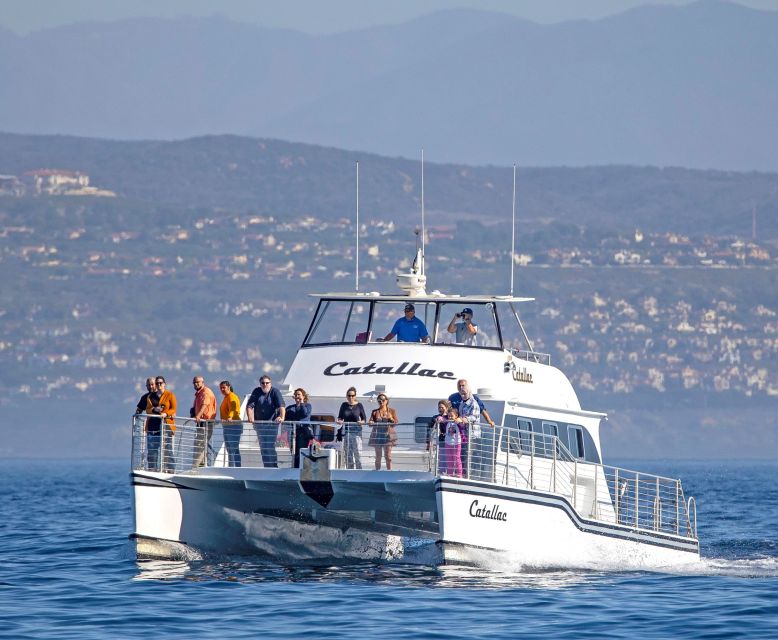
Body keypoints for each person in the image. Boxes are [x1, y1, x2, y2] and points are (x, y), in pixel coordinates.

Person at [246, 375, 286, 468]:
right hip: (260, 426)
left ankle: (273, 467)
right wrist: (250, 417)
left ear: (270, 383)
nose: (265, 385)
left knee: (269, 446)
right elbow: (249, 406)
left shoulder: (275, 391)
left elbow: (281, 405)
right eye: (262, 383)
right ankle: (267, 467)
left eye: (267, 383)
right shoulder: (257, 391)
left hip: (271, 425)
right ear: (260, 384)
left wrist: (282, 416)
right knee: (263, 447)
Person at [147, 376, 176, 472]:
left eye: (160, 383)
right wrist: (154, 409)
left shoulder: (170, 394)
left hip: (166, 425)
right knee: (152, 447)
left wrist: (166, 413)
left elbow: (173, 409)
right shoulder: (151, 396)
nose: (159, 385)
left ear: (164, 384)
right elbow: (148, 409)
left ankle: (170, 469)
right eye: (157, 383)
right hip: (153, 425)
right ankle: (152, 469)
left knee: (167, 447)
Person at [454, 380, 480, 478]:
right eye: (459, 387)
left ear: (468, 388)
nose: (461, 388)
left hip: (473, 435)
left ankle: (470, 477)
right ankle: (464, 475)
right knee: (463, 455)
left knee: (470, 456)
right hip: (464, 435)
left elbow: (474, 417)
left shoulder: (474, 403)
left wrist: (464, 419)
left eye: (463, 386)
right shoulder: (462, 403)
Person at [337, 386, 367, 470]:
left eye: (353, 395)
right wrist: (339, 421)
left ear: (355, 396)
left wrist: (361, 422)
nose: (351, 397)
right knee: (348, 454)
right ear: (346, 396)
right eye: (349, 395)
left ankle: (359, 471)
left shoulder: (359, 405)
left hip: (357, 432)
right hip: (347, 432)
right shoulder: (344, 405)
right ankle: (349, 471)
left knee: (357, 453)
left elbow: (364, 419)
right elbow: (340, 417)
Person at [368, 394, 398, 470]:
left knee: (388, 456)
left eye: (383, 400)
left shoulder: (392, 411)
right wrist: (371, 422)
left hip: (388, 436)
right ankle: (377, 473)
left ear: (386, 401)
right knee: (378, 457)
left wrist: (391, 418)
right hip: (377, 436)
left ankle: (389, 473)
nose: (381, 401)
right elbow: (370, 423)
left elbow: (396, 422)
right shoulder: (374, 412)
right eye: (379, 400)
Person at [192, 376, 217, 467]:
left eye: (198, 382)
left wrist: (198, 415)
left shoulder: (205, 392)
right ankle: (202, 464)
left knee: (200, 444)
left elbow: (205, 405)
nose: (196, 384)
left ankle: (197, 466)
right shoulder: (199, 393)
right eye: (194, 382)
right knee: (201, 443)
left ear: (203, 382)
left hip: (206, 422)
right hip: (201, 422)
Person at [285, 387, 312, 469]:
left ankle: (299, 468)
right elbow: (286, 417)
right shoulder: (290, 407)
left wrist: (301, 403)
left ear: (303, 396)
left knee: (300, 451)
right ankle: (295, 467)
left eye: (299, 395)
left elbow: (304, 414)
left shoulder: (308, 406)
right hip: (292, 432)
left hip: (303, 433)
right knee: (293, 451)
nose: (297, 396)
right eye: (296, 394)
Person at [219, 380, 242, 468]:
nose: (222, 389)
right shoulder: (226, 397)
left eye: (224, 387)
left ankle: (234, 467)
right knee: (231, 449)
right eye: (221, 388)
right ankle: (234, 466)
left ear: (228, 387)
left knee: (233, 448)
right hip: (227, 426)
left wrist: (230, 417)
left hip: (233, 426)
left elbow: (233, 408)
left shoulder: (231, 396)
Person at [428, 399, 451, 473]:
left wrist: (444, 419)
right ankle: (441, 472)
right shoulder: (436, 417)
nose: (440, 409)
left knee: (449, 457)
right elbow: (430, 428)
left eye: (442, 407)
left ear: (446, 408)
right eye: (439, 407)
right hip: (441, 440)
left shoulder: (450, 417)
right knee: (441, 457)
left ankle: (450, 472)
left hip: (450, 440)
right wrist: (428, 442)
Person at [442, 407, 465, 478]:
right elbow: (441, 418)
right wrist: (440, 418)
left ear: (456, 416)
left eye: (452, 415)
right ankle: (450, 474)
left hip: (457, 443)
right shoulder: (447, 422)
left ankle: (459, 474)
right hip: (448, 443)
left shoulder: (457, 423)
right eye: (449, 416)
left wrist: (460, 420)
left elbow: (462, 425)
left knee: (457, 459)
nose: (450, 417)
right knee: (449, 459)